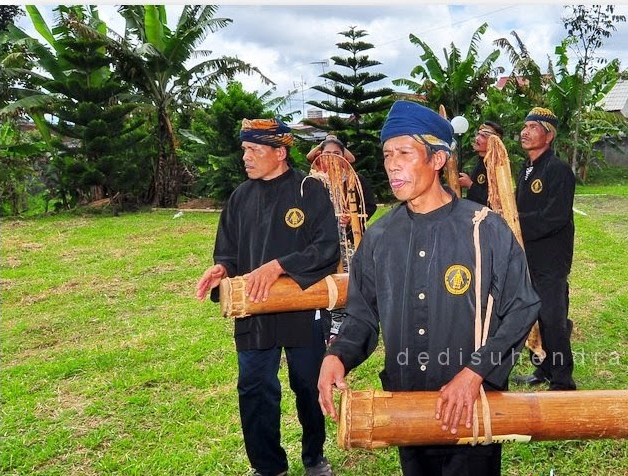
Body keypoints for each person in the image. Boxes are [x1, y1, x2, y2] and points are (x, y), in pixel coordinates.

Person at [317, 100, 541, 476]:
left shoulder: (483, 228)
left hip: (471, 406)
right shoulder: (381, 237)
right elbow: (361, 315)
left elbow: (522, 307)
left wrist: (475, 374)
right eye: (388, 154)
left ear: (437, 159)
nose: (392, 164)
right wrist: (337, 355)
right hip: (406, 405)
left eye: (404, 152)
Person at [195, 117, 339, 476]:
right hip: (254, 310)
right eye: (244, 149)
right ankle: (268, 467)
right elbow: (228, 250)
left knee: (308, 385)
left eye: (255, 150)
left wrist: (279, 266)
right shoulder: (240, 197)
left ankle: (314, 458)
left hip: (303, 306)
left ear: (280, 153)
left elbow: (326, 248)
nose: (246, 157)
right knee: (255, 388)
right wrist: (222, 270)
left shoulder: (309, 190)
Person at [511, 107, 577, 391]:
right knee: (533, 316)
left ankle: (563, 380)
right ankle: (543, 369)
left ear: (548, 136)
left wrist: (515, 223)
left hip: (551, 257)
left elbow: (555, 216)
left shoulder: (558, 170)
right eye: (524, 127)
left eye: (533, 127)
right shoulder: (526, 169)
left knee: (552, 317)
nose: (525, 132)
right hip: (528, 255)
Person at [306, 134, 378, 342]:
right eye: (327, 153)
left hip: (349, 242)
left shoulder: (355, 179)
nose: (331, 158)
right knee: (328, 280)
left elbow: (369, 207)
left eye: (336, 154)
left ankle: (352, 323)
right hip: (321, 243)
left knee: (350, 280)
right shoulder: (315, 180)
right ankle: (331, 325)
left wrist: (352, 218)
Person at [458, 121, 505, 206]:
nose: (477, 138)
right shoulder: (479, 162)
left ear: (493, 142)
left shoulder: (496, 167)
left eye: (483, 136)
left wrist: (470, 185)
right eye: (478, 134)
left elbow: (493, 201)